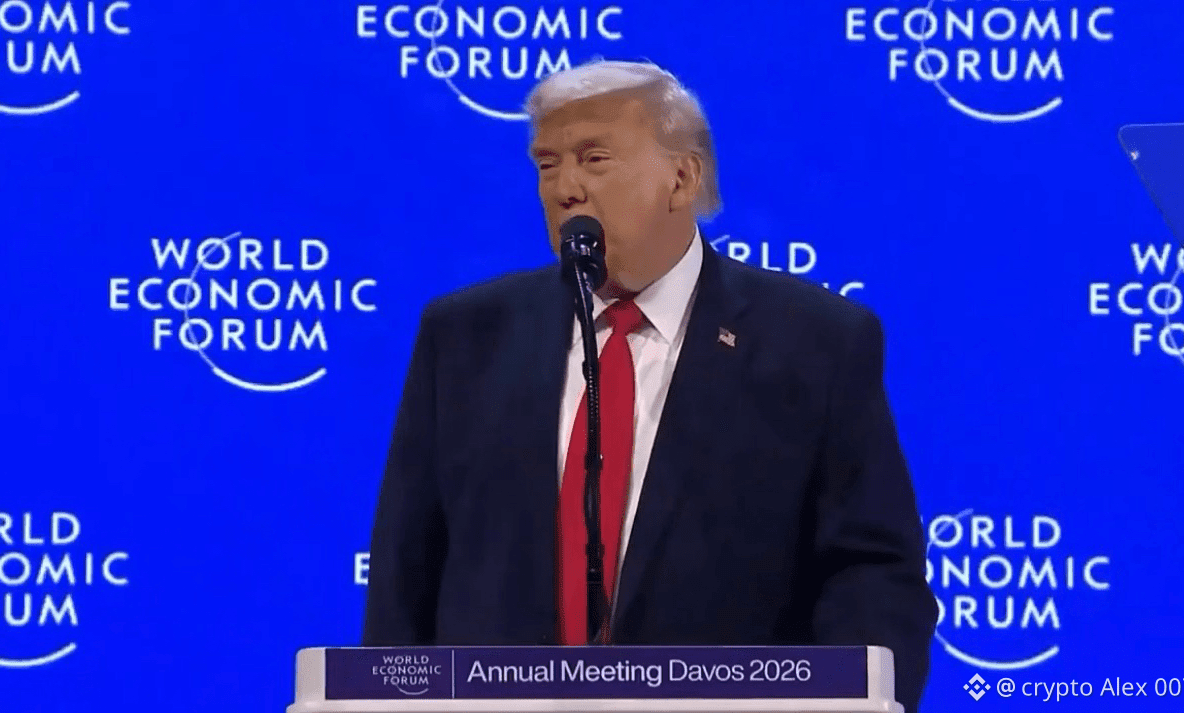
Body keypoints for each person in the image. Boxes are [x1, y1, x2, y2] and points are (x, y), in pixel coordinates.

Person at [363, 60, 937, 712]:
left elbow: (871, 575)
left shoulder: (814, 344)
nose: (565, 189)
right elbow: (405, 575)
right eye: (547, 164)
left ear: (681, 178)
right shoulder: (466, 337)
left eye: (594, 159)